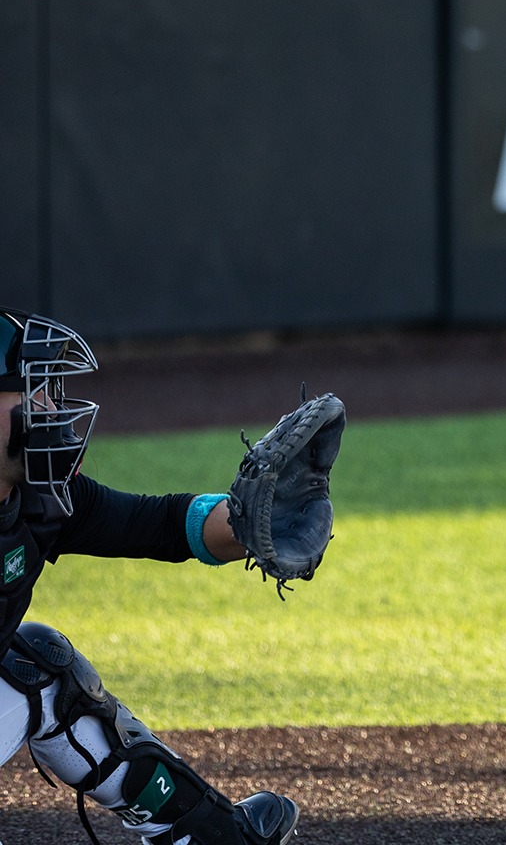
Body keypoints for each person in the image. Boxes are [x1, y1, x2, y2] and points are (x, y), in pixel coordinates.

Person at [0, 308, 300, 845]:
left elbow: (157, 523)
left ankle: (206, 834)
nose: (48, 407)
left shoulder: (39, 500)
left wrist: (253, 521)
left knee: (37, 665)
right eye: (28, 390)